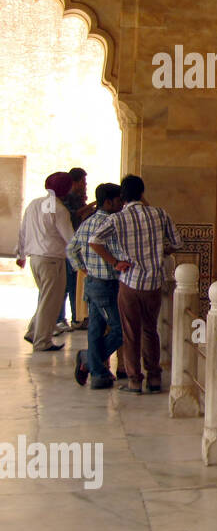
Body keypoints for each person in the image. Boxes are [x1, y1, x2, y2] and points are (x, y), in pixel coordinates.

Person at [90, 175, 182, 394]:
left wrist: (115, 262)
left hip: (130, 281)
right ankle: (154, 378)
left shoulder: (118, 219)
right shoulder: (160, 214)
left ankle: (134, 380)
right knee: (151, 330)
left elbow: (94, 241)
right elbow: (178, 243)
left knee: (131, 333)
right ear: (143, 192)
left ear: (122, 196)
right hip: (153, 283)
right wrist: (161, 251)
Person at [66, 183, 124, 390]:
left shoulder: (87, 223)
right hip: (107, 284)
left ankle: (98, 373)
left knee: (96, 329)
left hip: (92, 283)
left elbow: (71, 249)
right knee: (121, 330)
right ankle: (88, 360)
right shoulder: (112, 225)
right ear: (108, 202)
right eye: (119, 200)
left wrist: (84, 269)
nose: (122, 204)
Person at [15, 172, 75, 352]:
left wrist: (20, 254)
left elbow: (23, 230)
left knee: (45, 298)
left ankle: (34, 332)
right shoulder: (59, 209)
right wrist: (81, 260)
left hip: (36, 259)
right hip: (52, 260)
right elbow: (70, 238)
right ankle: (42, 341)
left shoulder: (34, 204)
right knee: (51, 302)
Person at [58, 167, 95, 333]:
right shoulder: (68, 198)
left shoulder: (78, 198)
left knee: (74, 285)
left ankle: (76, 317)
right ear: (75, 182)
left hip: (75, 244)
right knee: (68, 285)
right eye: (83, 181)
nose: (84, 185)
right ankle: (67, 319)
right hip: (69, 244)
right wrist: (94, 205)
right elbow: (72, 215)